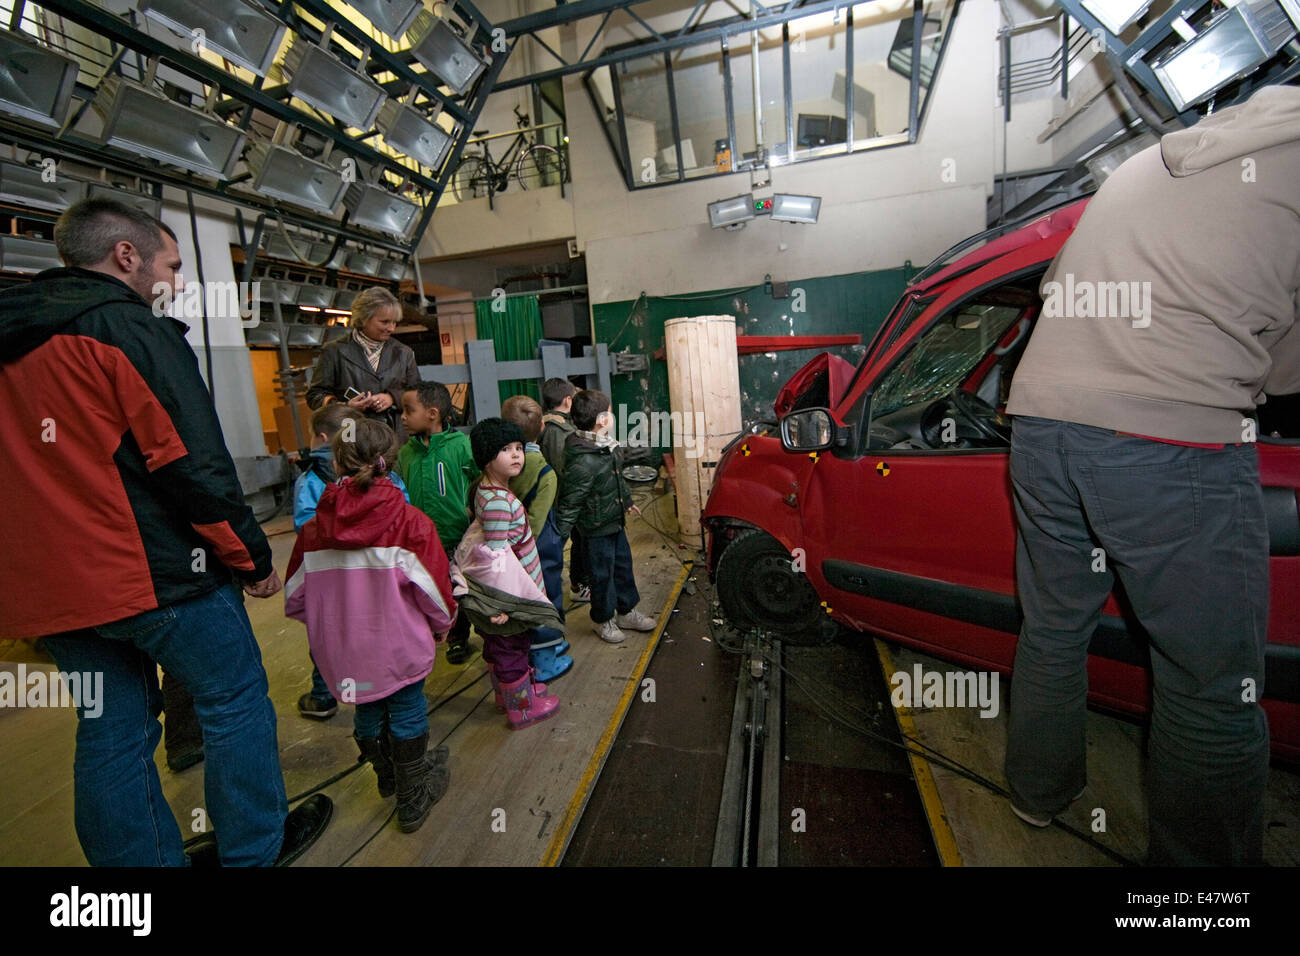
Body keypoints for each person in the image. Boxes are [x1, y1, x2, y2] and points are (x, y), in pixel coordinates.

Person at [1003, 84, 1300, 866]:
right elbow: (1287, 363)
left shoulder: (1148, 162)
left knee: (1053, 628)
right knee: (1210, 689)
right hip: (1171, 438)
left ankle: (1036, 795)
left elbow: (1052, 287)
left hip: (1037, 423)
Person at [0, 196, 330, 866]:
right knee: (234, 701)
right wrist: (249, 556)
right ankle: (252, 852)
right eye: (171, 265)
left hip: (48, 591)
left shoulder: (12, 336)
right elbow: (190, 462)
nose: (177, 282)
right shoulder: (130, 330)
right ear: (127, 256)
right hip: (152, 573)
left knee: (111, 727)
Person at [284, 420, 457, 833]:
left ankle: (389, 774)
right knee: (406, 707)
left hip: (343, 652)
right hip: (398, 645)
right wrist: (443, 623)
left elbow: (294, 595)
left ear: (337, 460)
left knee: (367, 708)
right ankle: (413, 794)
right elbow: (434, 591)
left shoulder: (313, 529)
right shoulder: (411, 522)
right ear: (390, 461)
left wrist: (331, 625)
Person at [292, 402, 409, 719]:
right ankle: (393, 685)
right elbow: (406, 522)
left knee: (331, 634)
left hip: (335, 579)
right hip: (382, 574)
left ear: (321, 437)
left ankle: (324, 694)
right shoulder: (389, 477)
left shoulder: (311, 480)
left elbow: (306, 529)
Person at [455, 418, 563, 729]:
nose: (516, 455)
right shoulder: (500, 502)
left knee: (498, 647)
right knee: (513, 649)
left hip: (504, 592)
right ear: (487, 456)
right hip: (509, 595)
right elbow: (495, 557)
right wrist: (500, 604)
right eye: (505, 449)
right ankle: (523, 707)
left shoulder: (486, 490)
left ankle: (507, 695)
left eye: (519, 448)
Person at [552, 390, 658, 645]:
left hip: (614, 521)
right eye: (610, 412)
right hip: (595, 528)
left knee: (623, 567)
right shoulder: (582, 460)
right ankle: (603, 620)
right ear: (601, 420)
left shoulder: (605, 445)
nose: (612, 416)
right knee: (601, 575)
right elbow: (570, 503)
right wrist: (557, 539)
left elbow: (616, 477)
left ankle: (626, 611)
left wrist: (628, 501)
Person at [398, 380, 479, 664]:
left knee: (463, 588)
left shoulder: (460, 446)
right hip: (421, 541)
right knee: (431, 587)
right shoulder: (406, 453)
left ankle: (468, 635)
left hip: (458, 535)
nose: (403, 417)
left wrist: (472, 510)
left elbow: (480, 480)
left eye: (409, 410)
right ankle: (444, 635)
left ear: (432, 413)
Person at [502, 394, 573, 681]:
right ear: (541, 427)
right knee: (546, 598)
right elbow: (537, 520)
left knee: (523, 600)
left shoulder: (500, 462)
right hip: (539, 546)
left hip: (509, 544)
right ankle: (545, 661)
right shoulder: (544, 471)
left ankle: (539, 648)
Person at [306, 286, 420, 438]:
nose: (391, 328)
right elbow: (315, 395)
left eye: (394, 322)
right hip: (351, 434)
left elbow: (419, 392)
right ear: (363, 318)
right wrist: (345, 407)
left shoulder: (404, 353)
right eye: (385, 322)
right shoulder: (334, 351)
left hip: (395, 436)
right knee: (356, 461)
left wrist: (392, 398)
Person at [540, 377, 591, 604]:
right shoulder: (561, 432)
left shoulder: (545, 426)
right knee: (565, 542)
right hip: (564, 500)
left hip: (555, 499)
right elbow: (565, 468)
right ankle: (573, 586)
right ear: (568, 401)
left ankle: (575, 583)